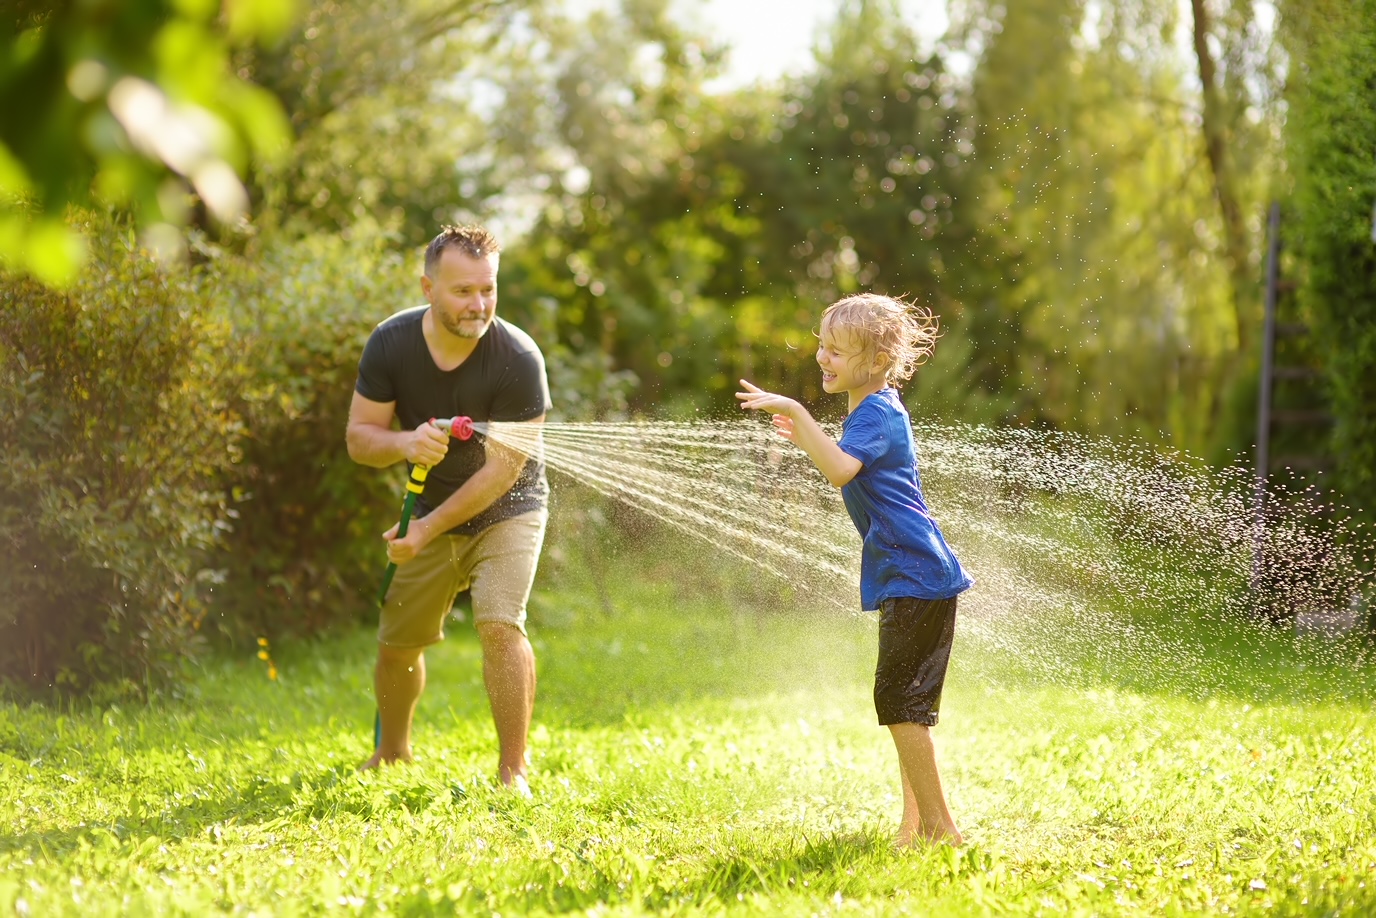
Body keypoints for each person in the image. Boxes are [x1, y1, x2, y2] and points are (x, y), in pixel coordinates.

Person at [736, 292, 973, 847]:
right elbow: (845, 466)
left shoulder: (878, 411)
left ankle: (942, 830)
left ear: (873, 361)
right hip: (913, 576)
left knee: (899, 705)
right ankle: (915, 827)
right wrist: (808, 437)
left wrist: (794, 412)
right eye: (823, 344)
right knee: (904, 706)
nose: (823, 357)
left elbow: (842, 471)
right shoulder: (873, 408)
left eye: (837, 351)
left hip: (918, 576)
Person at [346, 224, 550, 793]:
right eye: (462, 291)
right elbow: (360, 440)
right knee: (397, 643)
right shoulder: (391, 343)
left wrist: (425, 530)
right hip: (430, 501)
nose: (478, 304)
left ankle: (513, 771)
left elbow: (502, 471)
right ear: (428, 287)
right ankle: (392, 753)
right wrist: (405, 443)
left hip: (509, 507)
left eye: (488, 289)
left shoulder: (518, 358)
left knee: (498, 624)